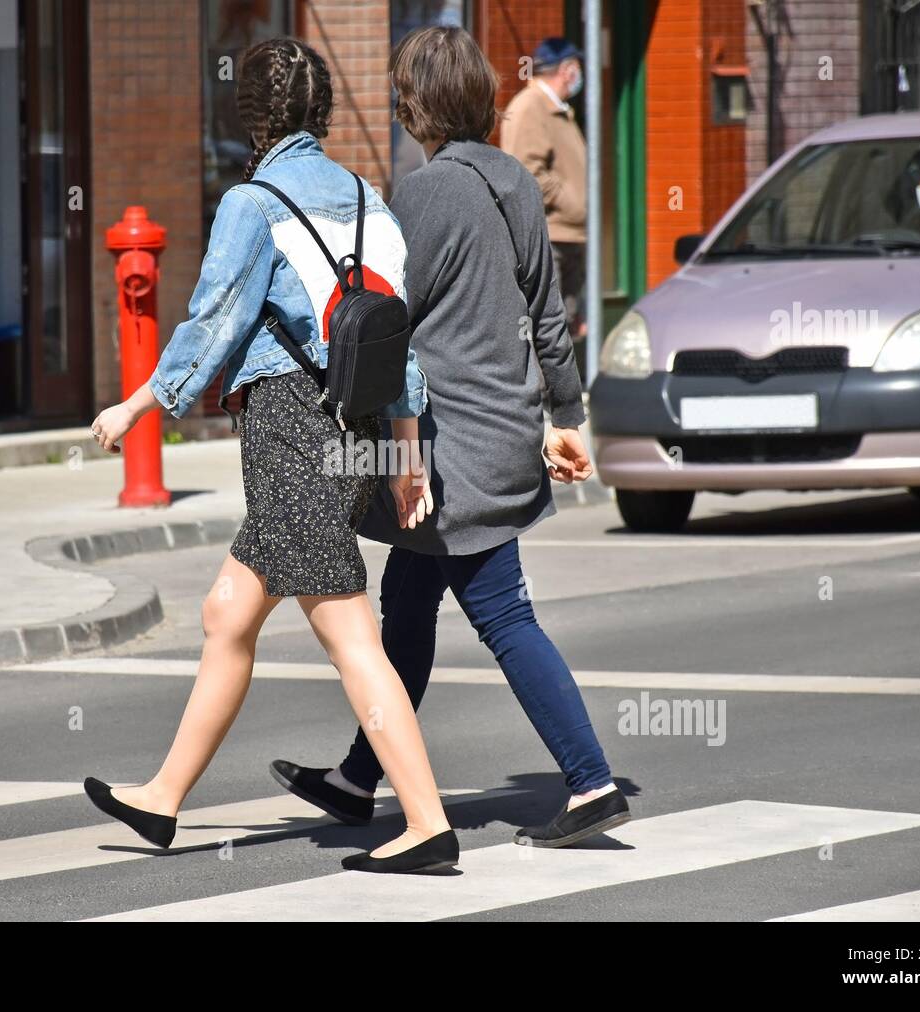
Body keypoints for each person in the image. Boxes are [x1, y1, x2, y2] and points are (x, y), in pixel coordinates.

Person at [84, 38, 457, 875]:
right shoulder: (367, 199)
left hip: (293, 433)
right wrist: (406, 458)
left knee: (350, 635)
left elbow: (214, 322)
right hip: (357, 432)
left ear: (251, 116)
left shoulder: (253, 203)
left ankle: (427, 821)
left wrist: (138, 405)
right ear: (320, 112)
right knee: (228, 611)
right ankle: (162, 798)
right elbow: (399, 344)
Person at [271, 26, 630, 849]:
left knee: (502, 613)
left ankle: (591, 781)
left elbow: (387, 317)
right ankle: (359, 777)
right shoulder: (514, 181)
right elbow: (547, 315)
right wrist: (566, 417)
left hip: (449, 451)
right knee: (408, 600)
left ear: (414, 106)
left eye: (402, 95)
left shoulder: (426, 194)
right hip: (503, 433)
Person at [500, 37, 589, 375]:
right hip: (552, 235)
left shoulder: (558, 109)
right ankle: (544, 396)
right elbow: (527, 172)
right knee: (548, 327)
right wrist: (571, 202)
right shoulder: (530, 107)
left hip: (570, 234)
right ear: (567, 70)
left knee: (565, 321)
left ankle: (561, 393)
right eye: (577, 67)